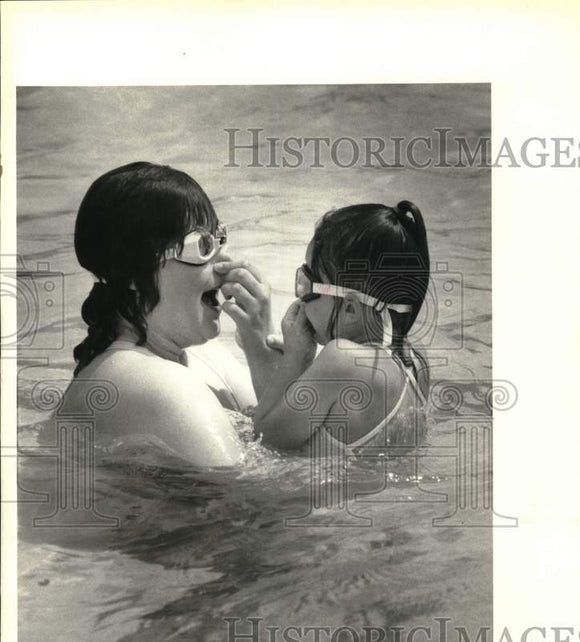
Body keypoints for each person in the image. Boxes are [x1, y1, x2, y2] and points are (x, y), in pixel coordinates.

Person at [61, 162, 279, 467]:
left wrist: (262, 350)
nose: (224, 261)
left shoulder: (207, 359)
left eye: (220, 238)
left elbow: (279, 436)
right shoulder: (155, 383)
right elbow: (270, 503)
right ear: (134, 275)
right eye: (202, 245)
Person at [253, 201, 430, 452]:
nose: (300, 299)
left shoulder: (342, 359)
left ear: (349, 308)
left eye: (307, 285)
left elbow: (262, 439)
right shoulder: (416, 363)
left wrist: (296, 357)